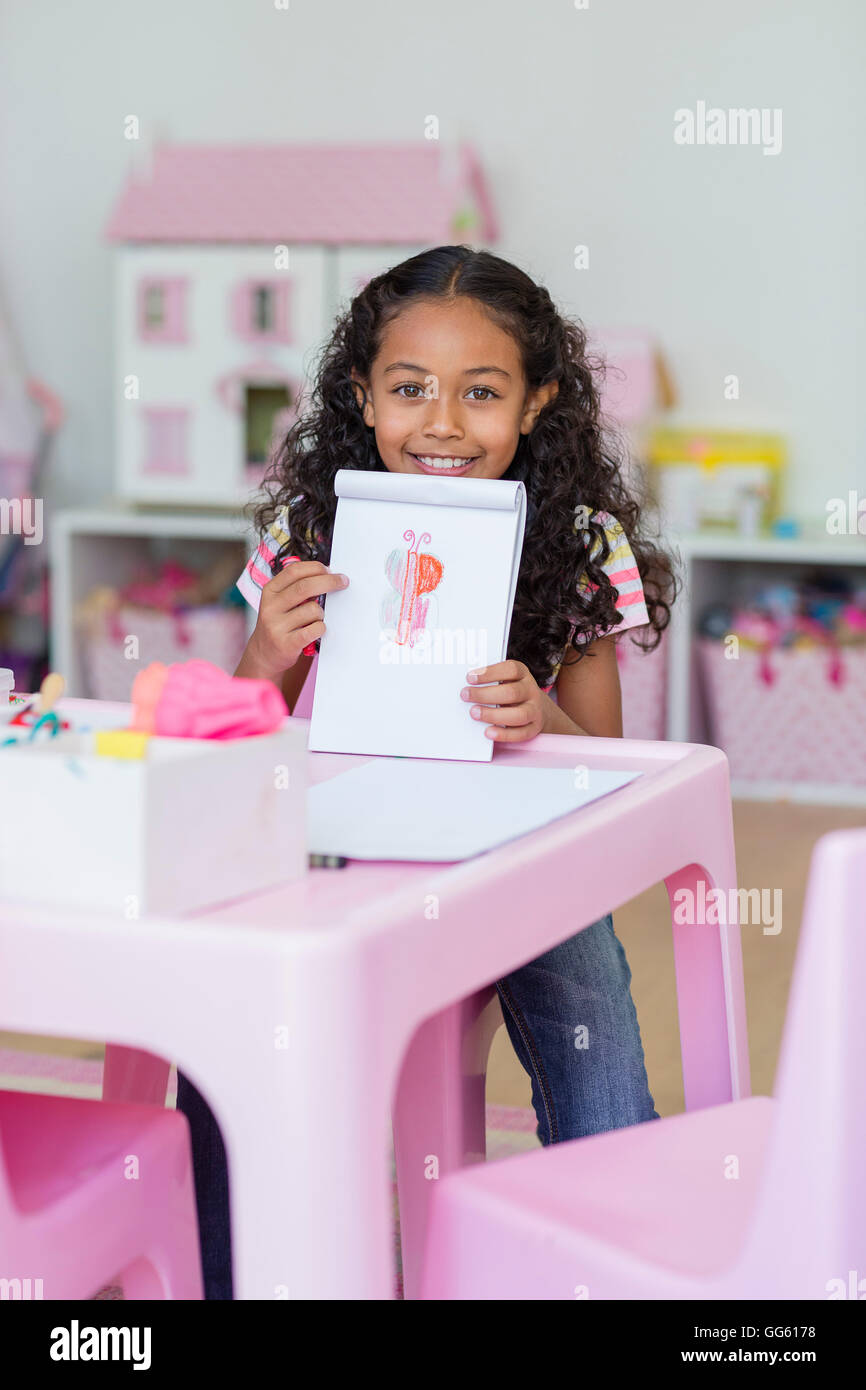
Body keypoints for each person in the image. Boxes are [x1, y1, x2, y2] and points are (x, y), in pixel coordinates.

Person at [177, 244, 679, 1299]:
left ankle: (625, 1258)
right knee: (226, 993)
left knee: (588, 991)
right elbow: (237, 742)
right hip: (348, 838)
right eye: (408, 390)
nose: (441, 423)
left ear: (537, 401)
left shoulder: (582, 544)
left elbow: (606, 771)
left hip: (517, 856)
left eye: (480, 392)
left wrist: (531, 713)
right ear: (362, 396)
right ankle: (230, 1275)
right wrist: (267, 652)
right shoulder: (307, 530)